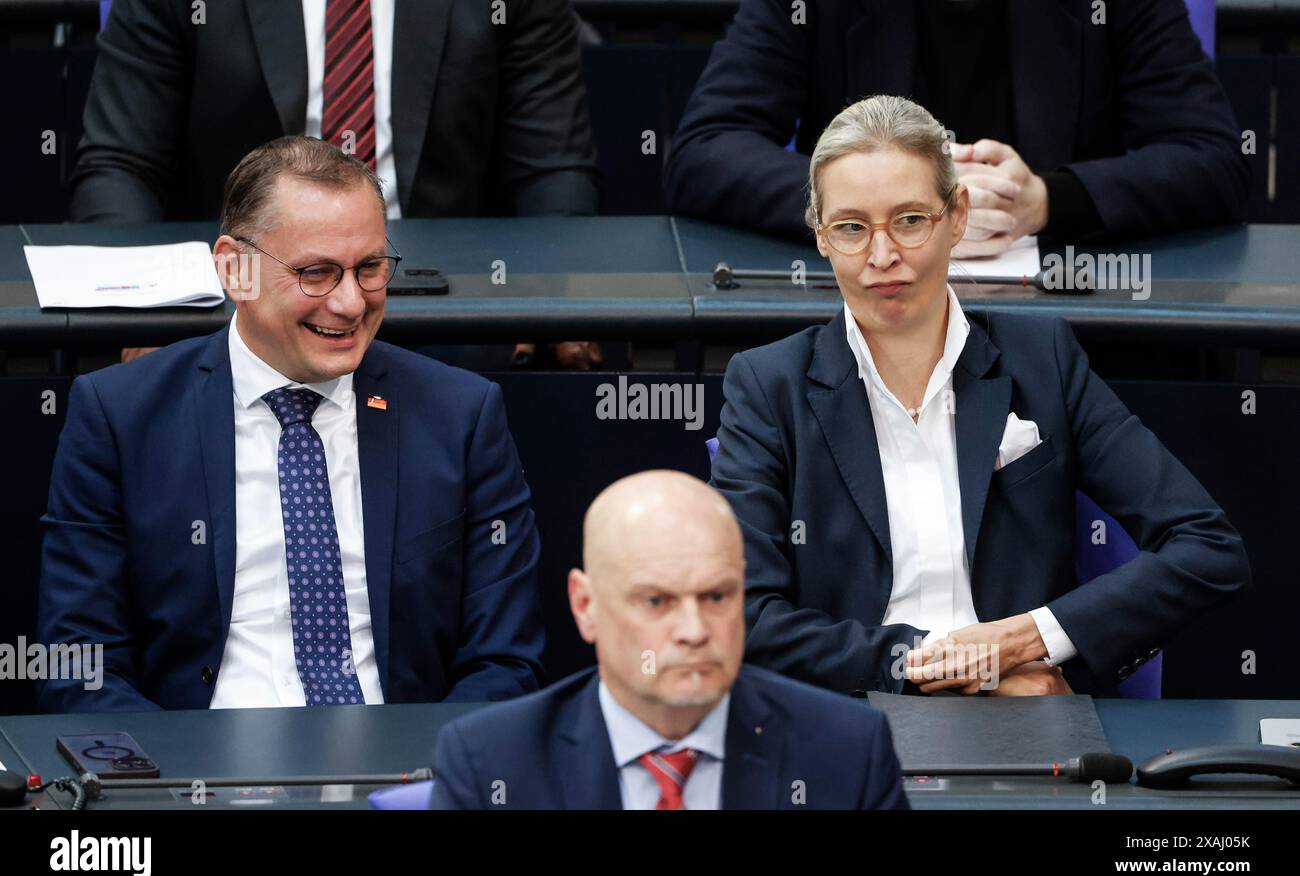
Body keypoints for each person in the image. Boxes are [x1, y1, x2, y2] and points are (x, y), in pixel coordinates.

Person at [708, 96, 1252, 699]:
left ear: (957, 216)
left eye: (910, 220)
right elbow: (743, 616)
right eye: (852, 228)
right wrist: (942, 668)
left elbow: (1208, 547)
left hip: (1029, 712)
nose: (882, 256)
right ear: (821, 237)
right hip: (849, 714)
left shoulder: (1042, 358)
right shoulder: (766, 383)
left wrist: (1029, 640)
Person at [37, 136, 545, 712]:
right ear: (235, 270)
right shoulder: (121, 416)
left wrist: (427, 780)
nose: (352, 303)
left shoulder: (461, 415)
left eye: (371, 268)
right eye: (318, 273)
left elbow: (505, 662)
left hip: (398, 775)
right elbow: (80, 663)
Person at [72, 0, 603, 370]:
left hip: (445, 308)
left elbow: (552, 167)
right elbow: (121, 163)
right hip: (238, 308)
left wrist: (555, 300)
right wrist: (143, 313)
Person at [430, 471, 909, 810]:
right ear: (585, 606)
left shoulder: (847, 753)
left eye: (717, 596)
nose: (695, 630)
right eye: (656, 601)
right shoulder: (490, 765)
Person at [664, 0, 1250, 254]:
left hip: (1066, 322)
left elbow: (1212, 158)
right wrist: (876, 207)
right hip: (864, 316)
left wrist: (1046, 200)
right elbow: (706, 150)